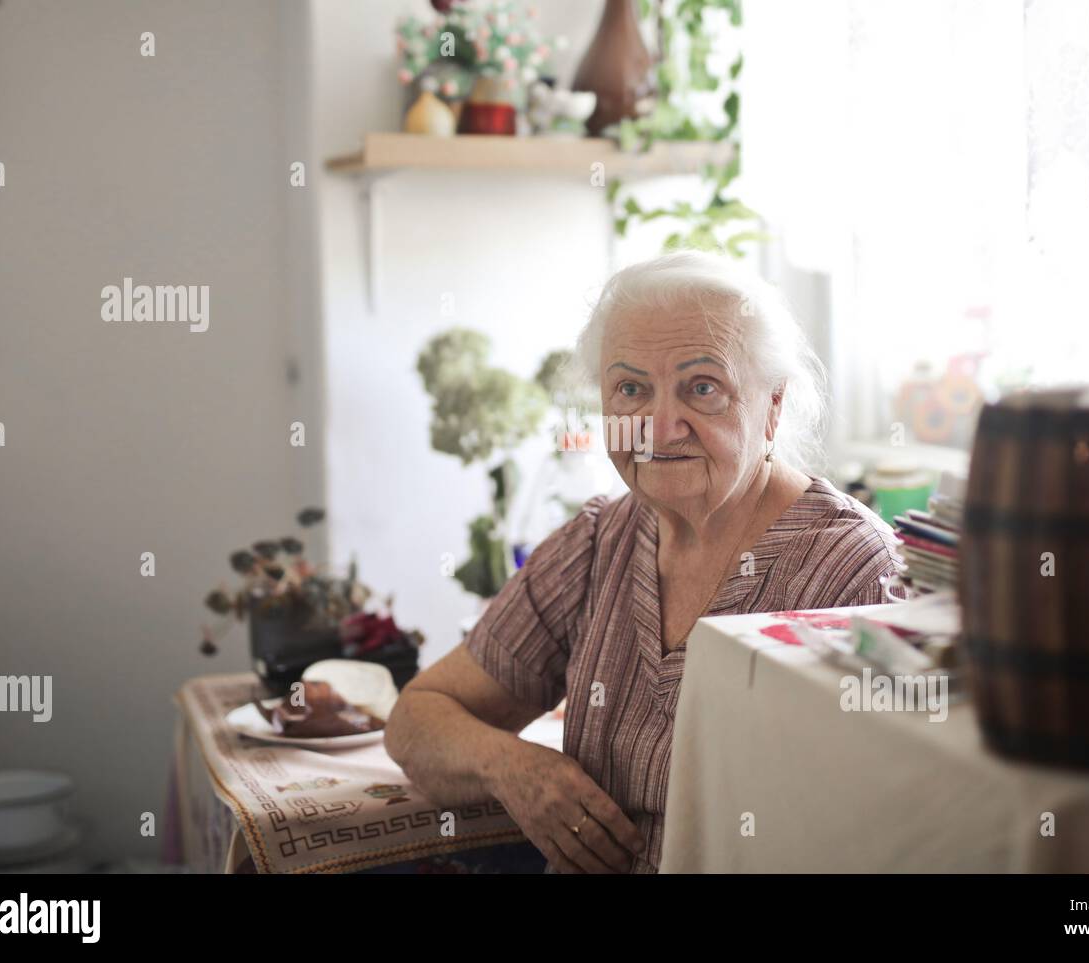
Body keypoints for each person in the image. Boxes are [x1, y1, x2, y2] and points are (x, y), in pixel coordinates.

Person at [385, 251, 900, 872]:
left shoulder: (853, 574)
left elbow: (885, 829)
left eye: (702, 388)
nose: (657, 427)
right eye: (630, 389)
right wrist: (516, 769)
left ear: (772, 407)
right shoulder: (599, 540)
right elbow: (418, 718)